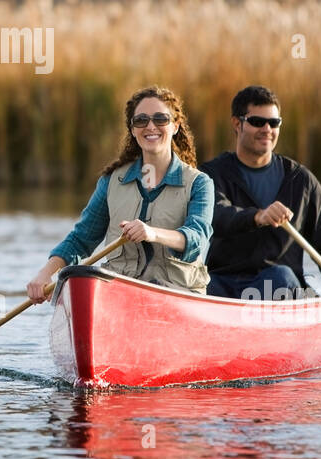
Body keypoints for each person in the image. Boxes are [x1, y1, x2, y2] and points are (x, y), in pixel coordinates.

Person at [26, 86, 214, 302]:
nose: (151, 126)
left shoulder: (200, 183)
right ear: (133, 130)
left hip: (176, 296)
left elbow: (197, 239)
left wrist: (151, 233)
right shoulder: (111, 181)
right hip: (118, 295)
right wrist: (45, 274)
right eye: (141, 120)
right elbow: (80, 240)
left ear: (175, 126)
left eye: (161, 118)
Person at [199, 85, 321, 302]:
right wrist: (257, 216)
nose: (267, 129)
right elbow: (214, 214)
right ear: (237, 124)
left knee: (281, 276)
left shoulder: (301, 180)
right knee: (195, 283)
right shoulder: (211, 174)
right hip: (223, 284)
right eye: (258, 122)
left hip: (277, 285)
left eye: (274, 123)